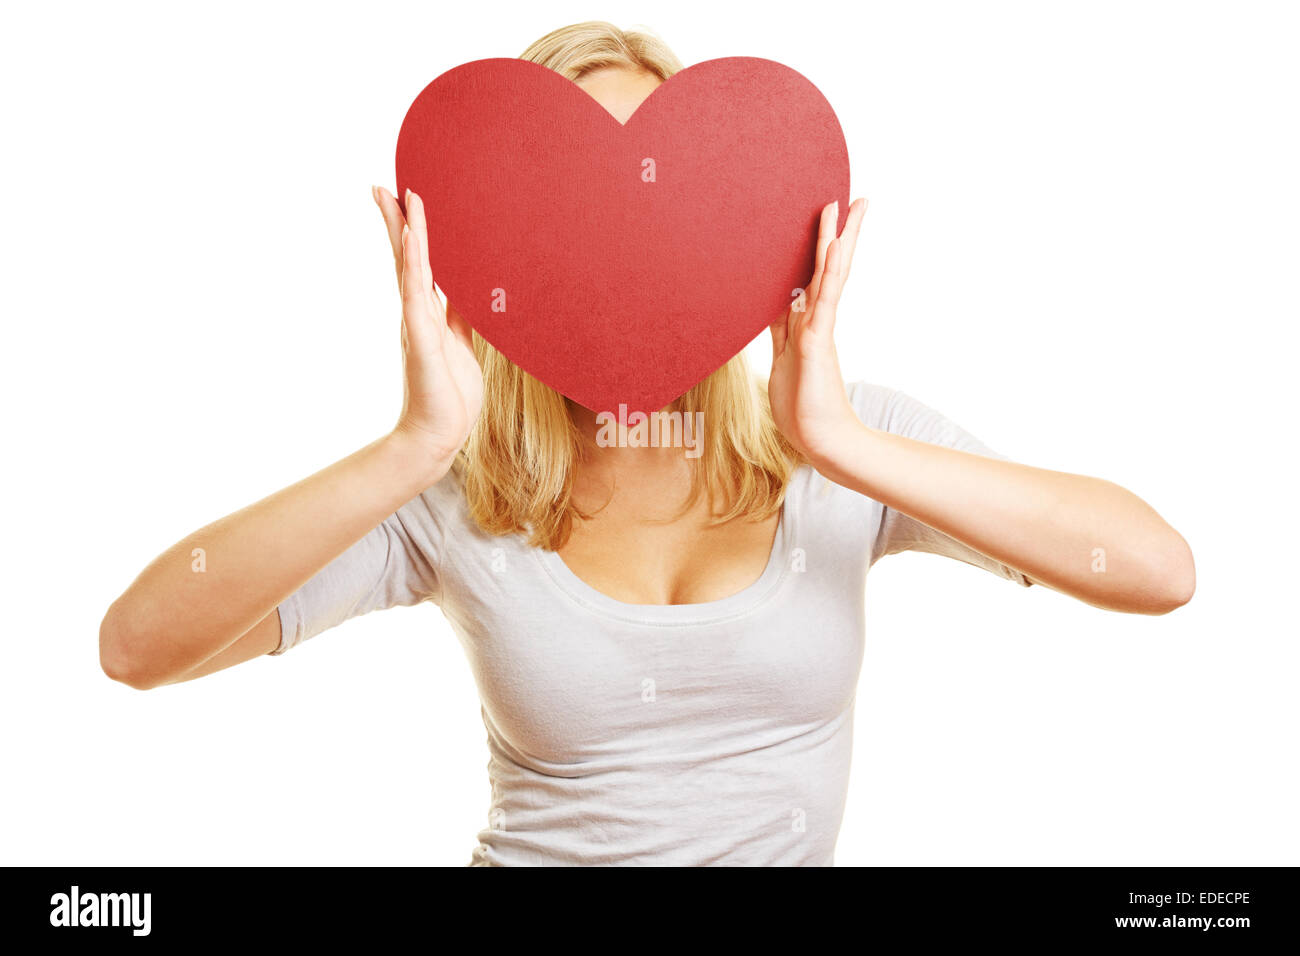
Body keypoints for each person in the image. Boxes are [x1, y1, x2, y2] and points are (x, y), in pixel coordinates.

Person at [98, 21, 1194, 866]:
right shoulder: (454, 486)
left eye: (652, 205)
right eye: (564, 213)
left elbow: (1152, 569)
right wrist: (410, 445)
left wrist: (842, 441)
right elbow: (137, 645)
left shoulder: (847, 447)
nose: (616, 251)